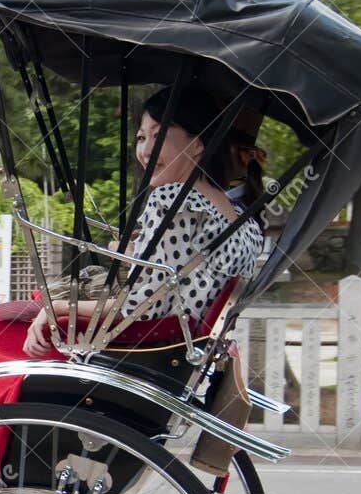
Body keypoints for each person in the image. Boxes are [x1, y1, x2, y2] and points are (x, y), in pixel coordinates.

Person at [24, 85, 265, 357]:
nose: (146, 150)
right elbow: (186, 276)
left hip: (153, 345)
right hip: (188, 344)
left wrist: (57, 307)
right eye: (141, 138)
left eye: (159, 135)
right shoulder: (240, 217)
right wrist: (134, 255)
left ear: (198, 143)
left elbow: (142, 307)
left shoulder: (171, 200)